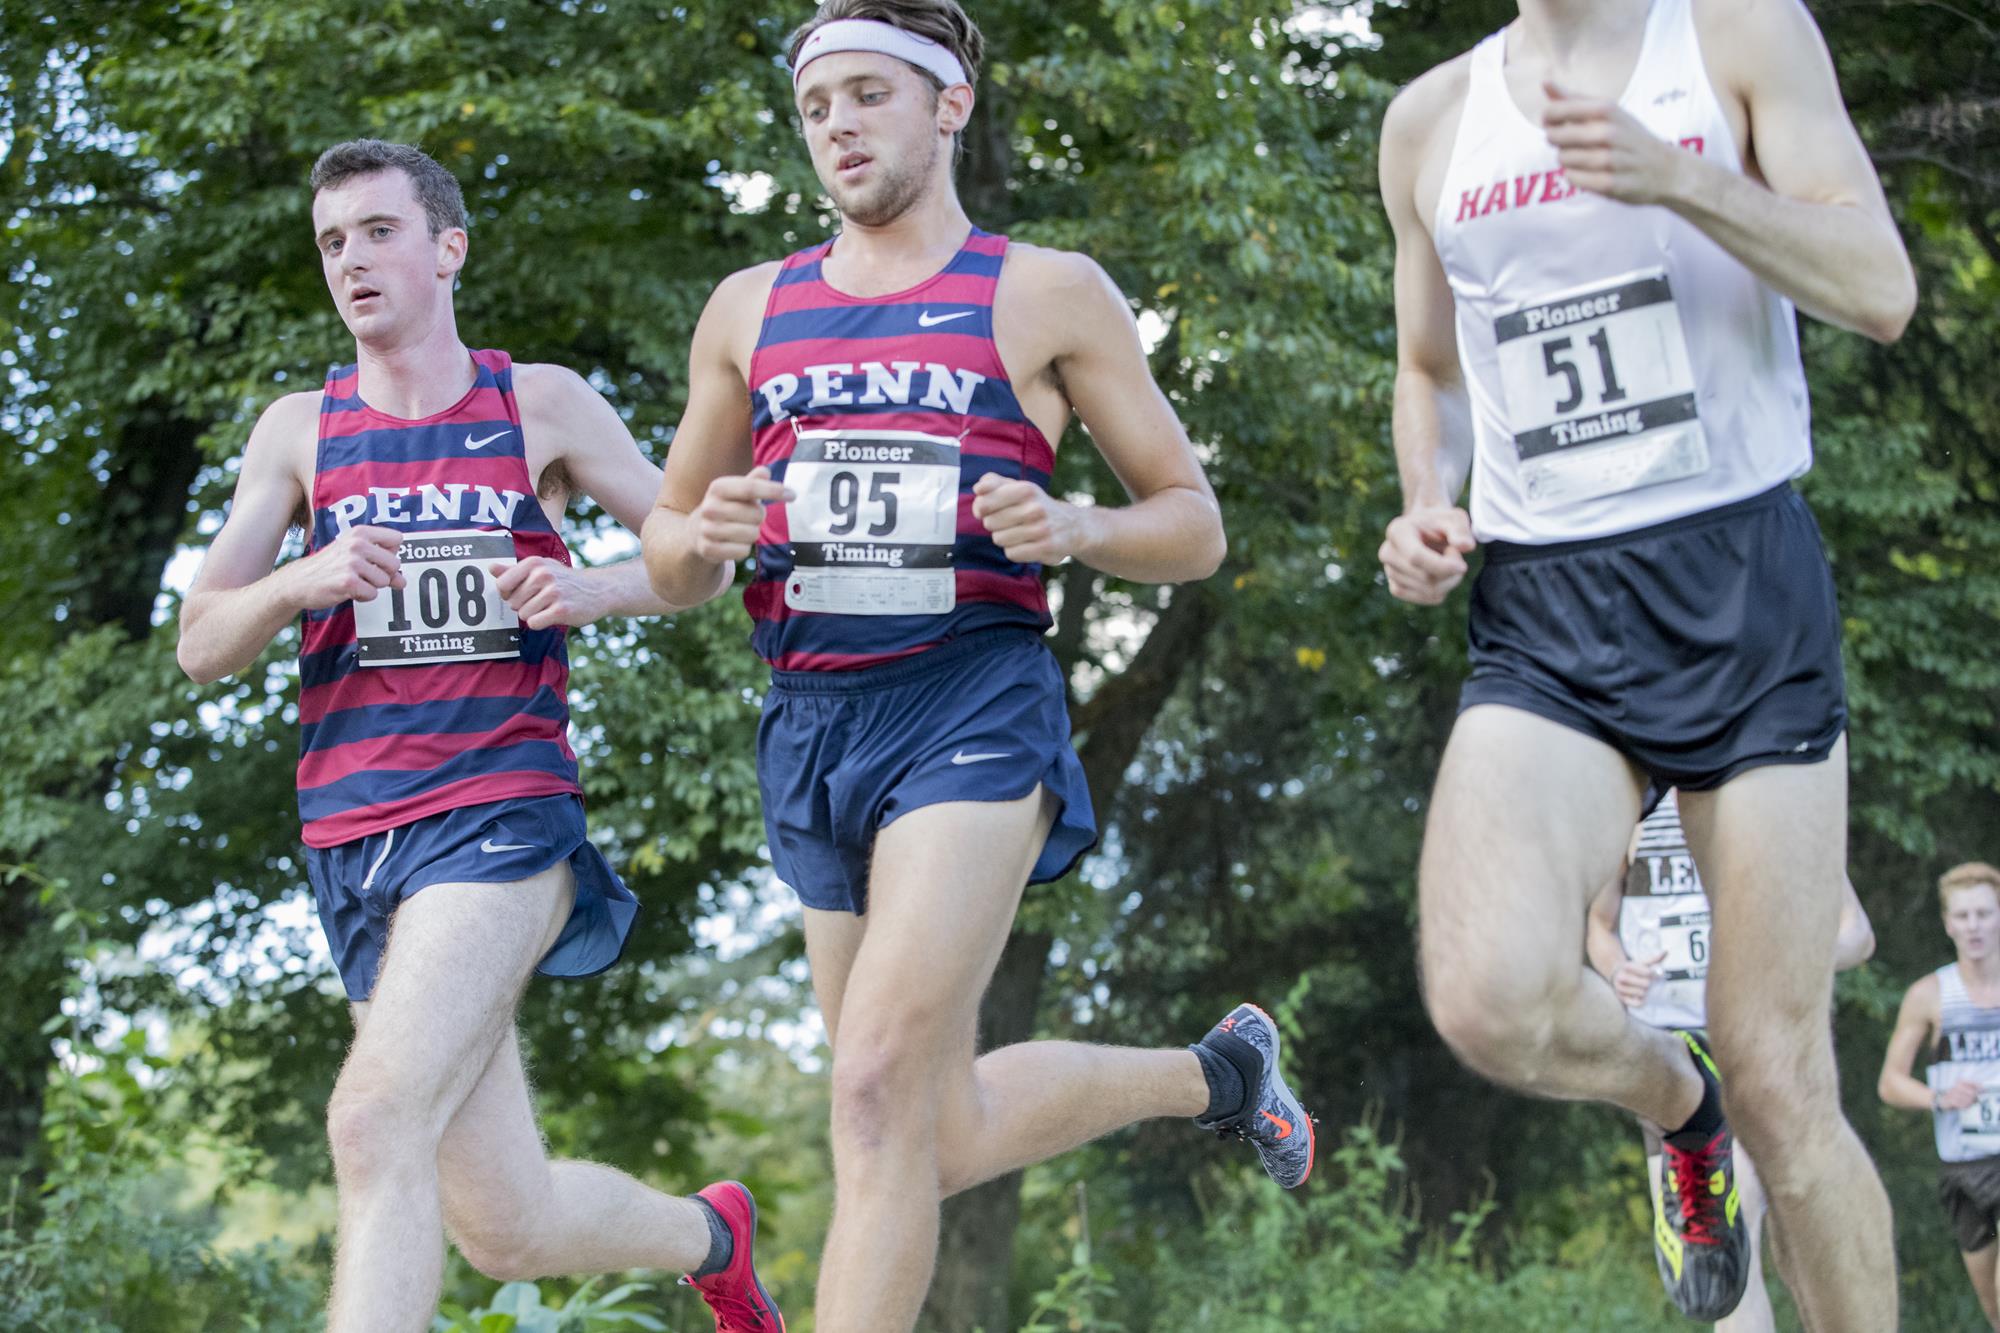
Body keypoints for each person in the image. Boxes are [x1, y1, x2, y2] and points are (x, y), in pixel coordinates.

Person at [638, 3, 1312, 1328]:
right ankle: (1221, 1076)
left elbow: (1193, 523)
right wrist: (701, 539)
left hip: (972, 701)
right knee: (921, 1126)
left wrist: (1078, 528)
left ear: (947, 107)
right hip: (812, 722)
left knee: (875, 1088)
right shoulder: (747, 311)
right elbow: (670, 555)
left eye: (869, 94)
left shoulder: (1043, 291)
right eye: (818, 101)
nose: (838, 122)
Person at [175, 140, 780, 1333]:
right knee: (504, 1222)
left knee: (370, 1120)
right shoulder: (299, 431)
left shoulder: (535, 403)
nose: (352, 258)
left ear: (447, 248)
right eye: (332, 242)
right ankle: (710, 1236)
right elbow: (202, 641)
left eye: (378, 231)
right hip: (350, 834)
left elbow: (691, 564)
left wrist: (582, 589)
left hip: (500, 811)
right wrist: (305, 578)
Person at [1374, 0, 1914, 1324]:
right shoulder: (1432, 118)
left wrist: (1680, 178)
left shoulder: (1735, 34)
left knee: (1786, 1084)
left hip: (1736, 574)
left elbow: (1880, 287)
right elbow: (1429, 367)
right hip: (1546, 604)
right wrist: (1423, 498)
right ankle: (1677, 1103)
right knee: (1490, 998)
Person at [1587, 790, 1875, 1327]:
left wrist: (1793, 957)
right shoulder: (1630, 807)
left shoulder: (1773, 793)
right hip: (1670, 1058)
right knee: (1714, 1268)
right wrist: (1617, 969)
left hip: (1761, 1040)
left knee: (1761, 1227)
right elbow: (1599, 926)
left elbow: (1855, 933)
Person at [1879, 862, 2000, 1331]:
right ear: (1948, 923)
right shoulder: (1929, 995)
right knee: (1992, 1303)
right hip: (1964, 1167)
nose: (1974, 926)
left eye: (1984, 914)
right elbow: (1890, 1083)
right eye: (1964, 916)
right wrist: (1939, 1096)